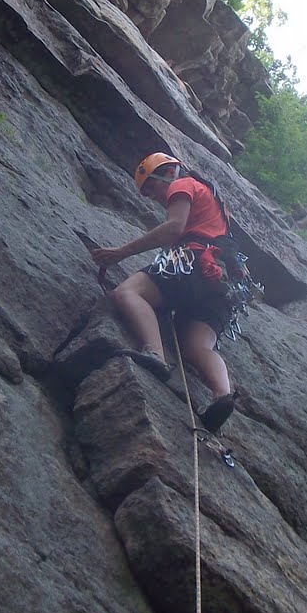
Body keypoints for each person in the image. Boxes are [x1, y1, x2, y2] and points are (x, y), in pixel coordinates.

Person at [89, 154, 239, 433]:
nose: (155, 198)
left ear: (168, 172)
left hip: (192, 264)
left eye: (152, 189)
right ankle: (222, 395)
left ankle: (155, 355)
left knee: (128, 292)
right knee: (197, 347)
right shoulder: (217, 207)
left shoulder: (182, 184)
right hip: (221, 285)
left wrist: (120, 253)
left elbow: (174, 228)